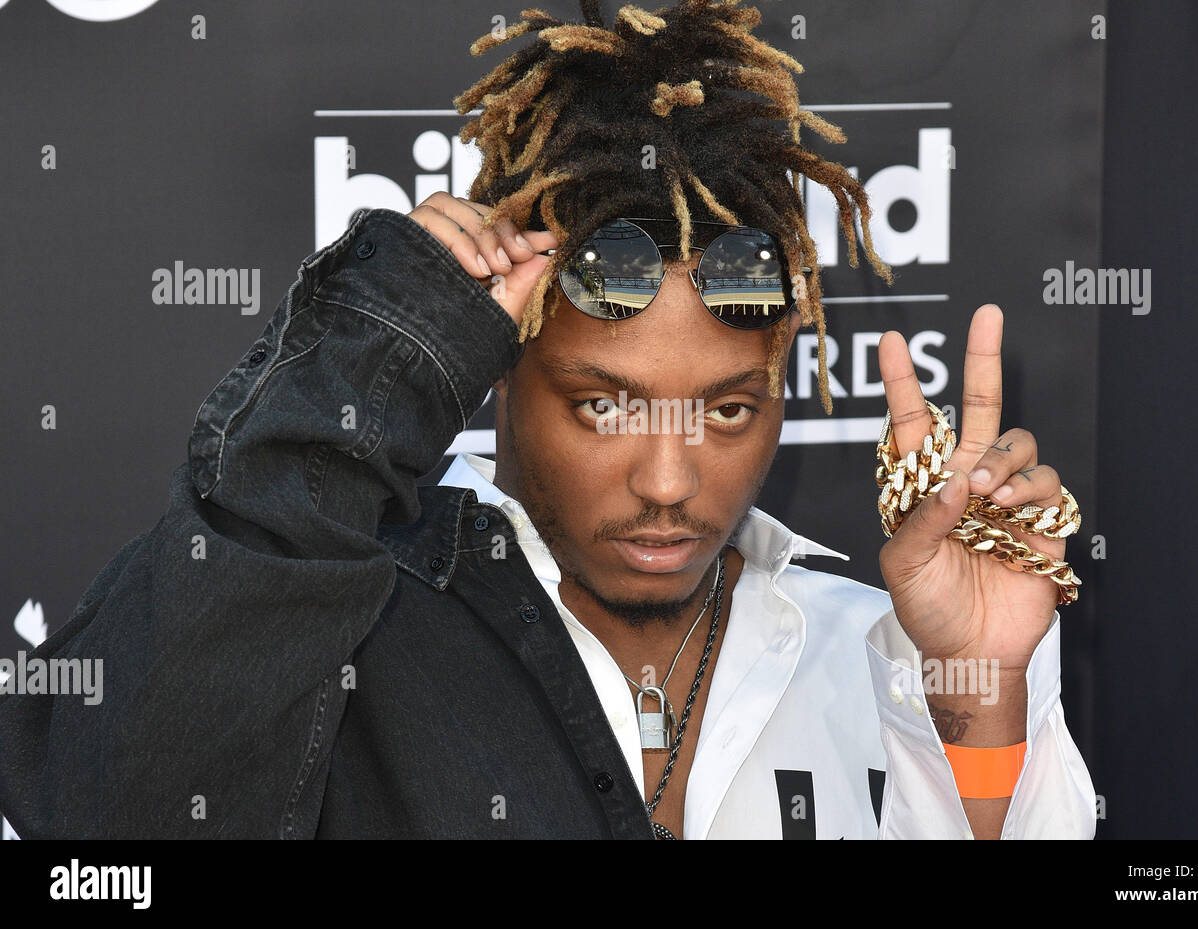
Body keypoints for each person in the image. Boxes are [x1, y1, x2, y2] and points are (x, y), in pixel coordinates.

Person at [0, 0, 1094, 839]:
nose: (670, 479)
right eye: (603, 404)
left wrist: (980, 697)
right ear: (501, 367)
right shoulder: (337, 636)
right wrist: (387, 344)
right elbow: (108, 825)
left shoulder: (883, 648)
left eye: (726, 407)